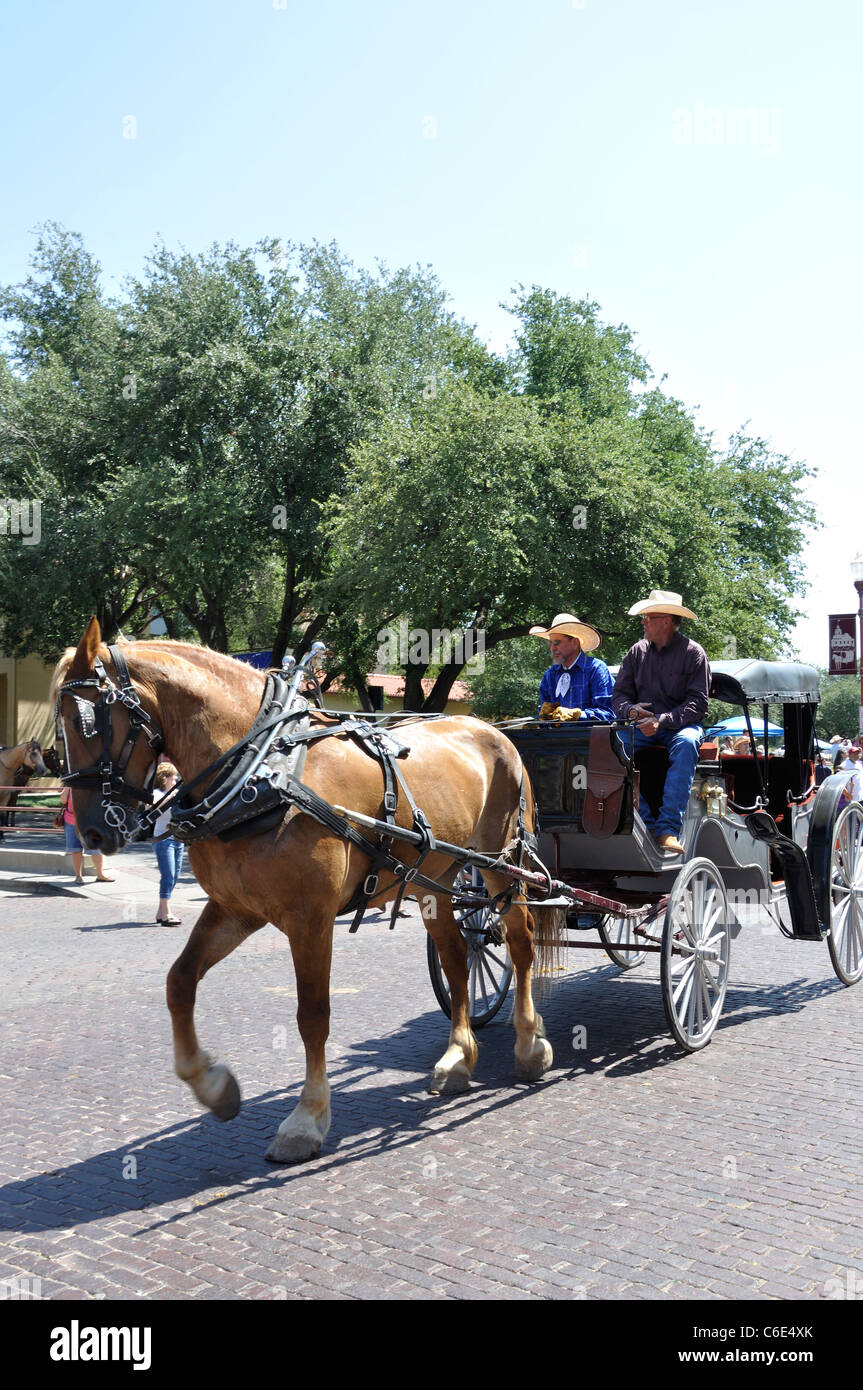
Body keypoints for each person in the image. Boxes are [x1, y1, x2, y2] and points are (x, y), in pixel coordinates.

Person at [612, 589, 710, 855]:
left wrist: (661, 720)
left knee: (688, 742)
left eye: (647, 616)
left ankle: (667, 829)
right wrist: (631, 711)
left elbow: (698, 703)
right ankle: (645, 820)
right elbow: (619, 695)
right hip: (642, 727)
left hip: (679, 726)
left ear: (666, 620)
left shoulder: (694, 653)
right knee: (609, 744)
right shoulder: (636, 652)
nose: (642, 621)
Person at [529, 612, 614, 721]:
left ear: (575, 643)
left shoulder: (596, 669)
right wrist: (545, 716)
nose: (552, 648)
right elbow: (546, 722)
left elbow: (608, 714)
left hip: (589, 737)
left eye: (556, 642)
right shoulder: (550, 675)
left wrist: (577, 715)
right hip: (556, 738)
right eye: (550, 643)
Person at [55, 786, 115, 885]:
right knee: (76, 850)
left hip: (90, 822)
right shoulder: (70, 785)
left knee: (96, 849)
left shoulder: (89, 784)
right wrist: (67, 787)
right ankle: (78, 877)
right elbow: (63, 800)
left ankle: (100, 875)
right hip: (71, 822)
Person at [153, 762, 184, 926]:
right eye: (174, 777)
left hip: (178, 839)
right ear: (165, 779)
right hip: (163, 839)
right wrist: (173, 796)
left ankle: (161, 912)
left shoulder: (177, 792)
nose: (176, 780)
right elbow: (157, 808)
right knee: (168, 875)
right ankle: (166, 914)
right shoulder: (156, 794)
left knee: (174, 876)